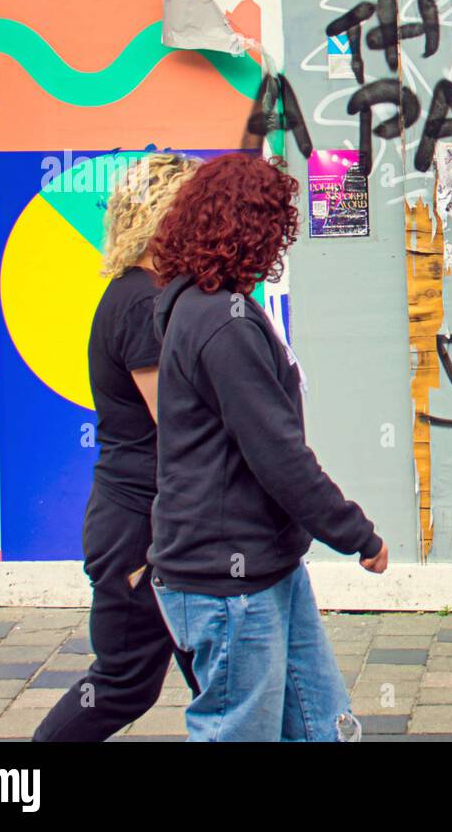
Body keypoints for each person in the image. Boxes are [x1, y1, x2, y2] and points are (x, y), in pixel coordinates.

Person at [148, 153, 387, 742]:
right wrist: (359, 535)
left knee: (321, 728)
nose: (281, 242)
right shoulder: (221, 323)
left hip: (263, 568)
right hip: (226, 582)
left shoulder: (205, 307)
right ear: (252, 231)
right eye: (276, 227)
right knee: (239, 732)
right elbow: (279, 456)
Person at [34, 153, 202, 743]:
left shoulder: (144, 293)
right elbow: (177, 424)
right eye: (193, 208)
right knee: (123, 684)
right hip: (139, 530)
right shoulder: (138, 301)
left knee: (225, 680)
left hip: (151, 520)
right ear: (162, 217)